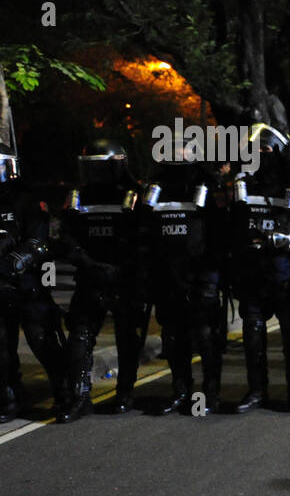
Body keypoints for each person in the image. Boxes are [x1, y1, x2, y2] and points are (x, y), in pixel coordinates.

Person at [56, 138, 146, 420]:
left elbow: (143, 238)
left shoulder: (134, 194)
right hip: (90, 275)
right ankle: (80, 396)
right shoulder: (78, 195)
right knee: (80, 336)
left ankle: (125, 393)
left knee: (127, 337)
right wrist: (88, 263)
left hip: (124, 277)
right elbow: (67, 237)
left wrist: (121, 268)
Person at [138, 134, 226, 415]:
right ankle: (180, 391)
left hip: (200, 274)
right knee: (173, 337)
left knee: (205, 335)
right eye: (172, 150)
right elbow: (144, 230)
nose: (177, 155)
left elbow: (222, 231)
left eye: (183, 150)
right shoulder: (156, 186)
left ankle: (210, 393)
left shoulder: (209, 185)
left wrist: (212, 272)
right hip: (167, 274)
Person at [229, 124, 290, 413]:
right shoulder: (239, 184)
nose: (260, 155)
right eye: (254, 150)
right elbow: (228, 228)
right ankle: (256, 391)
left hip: (285, 273)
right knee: (252, 334)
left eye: (265, 150)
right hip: (252, 274)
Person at [0, 139, 70, 422]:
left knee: (42, 341)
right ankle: (10, 399)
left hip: (27, 283)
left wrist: (13, 264)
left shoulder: (27, 199)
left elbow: (37, 241)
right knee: (2, 349)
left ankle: (65, 395)